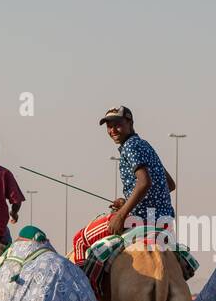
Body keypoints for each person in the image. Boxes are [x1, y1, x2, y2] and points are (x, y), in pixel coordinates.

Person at [72, 105, 176, 263]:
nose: (113, 130)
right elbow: (170, 184)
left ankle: (83, 287)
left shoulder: (130, 147)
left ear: (130, 123)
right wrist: (127, 202)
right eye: (109, 126)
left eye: (117, 124)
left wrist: (122, 215)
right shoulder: (145, 145)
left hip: (140, 219)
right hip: (164, 220)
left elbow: (144, 183)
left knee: (79, 241)